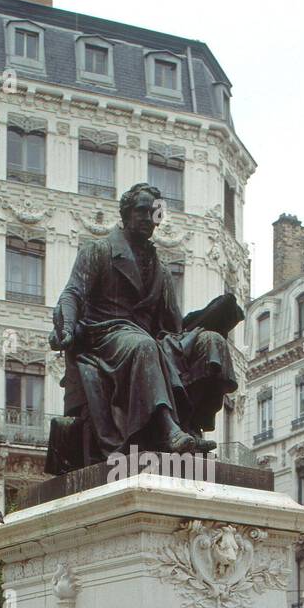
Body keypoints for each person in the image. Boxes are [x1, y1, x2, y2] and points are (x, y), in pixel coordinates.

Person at [47, 183, 242, 470]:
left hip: (153, 340)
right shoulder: (98, 251)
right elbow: (72, 293)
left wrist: (206, 322)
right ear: (125, 214)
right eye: (140, 210)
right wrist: (66, 326)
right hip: (106, 337)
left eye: (153, 212)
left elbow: (173, 326)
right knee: (143, 345)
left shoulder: (160, 269)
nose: (148, 217)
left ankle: (189, 428)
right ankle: (167, 431)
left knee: (211, 343)